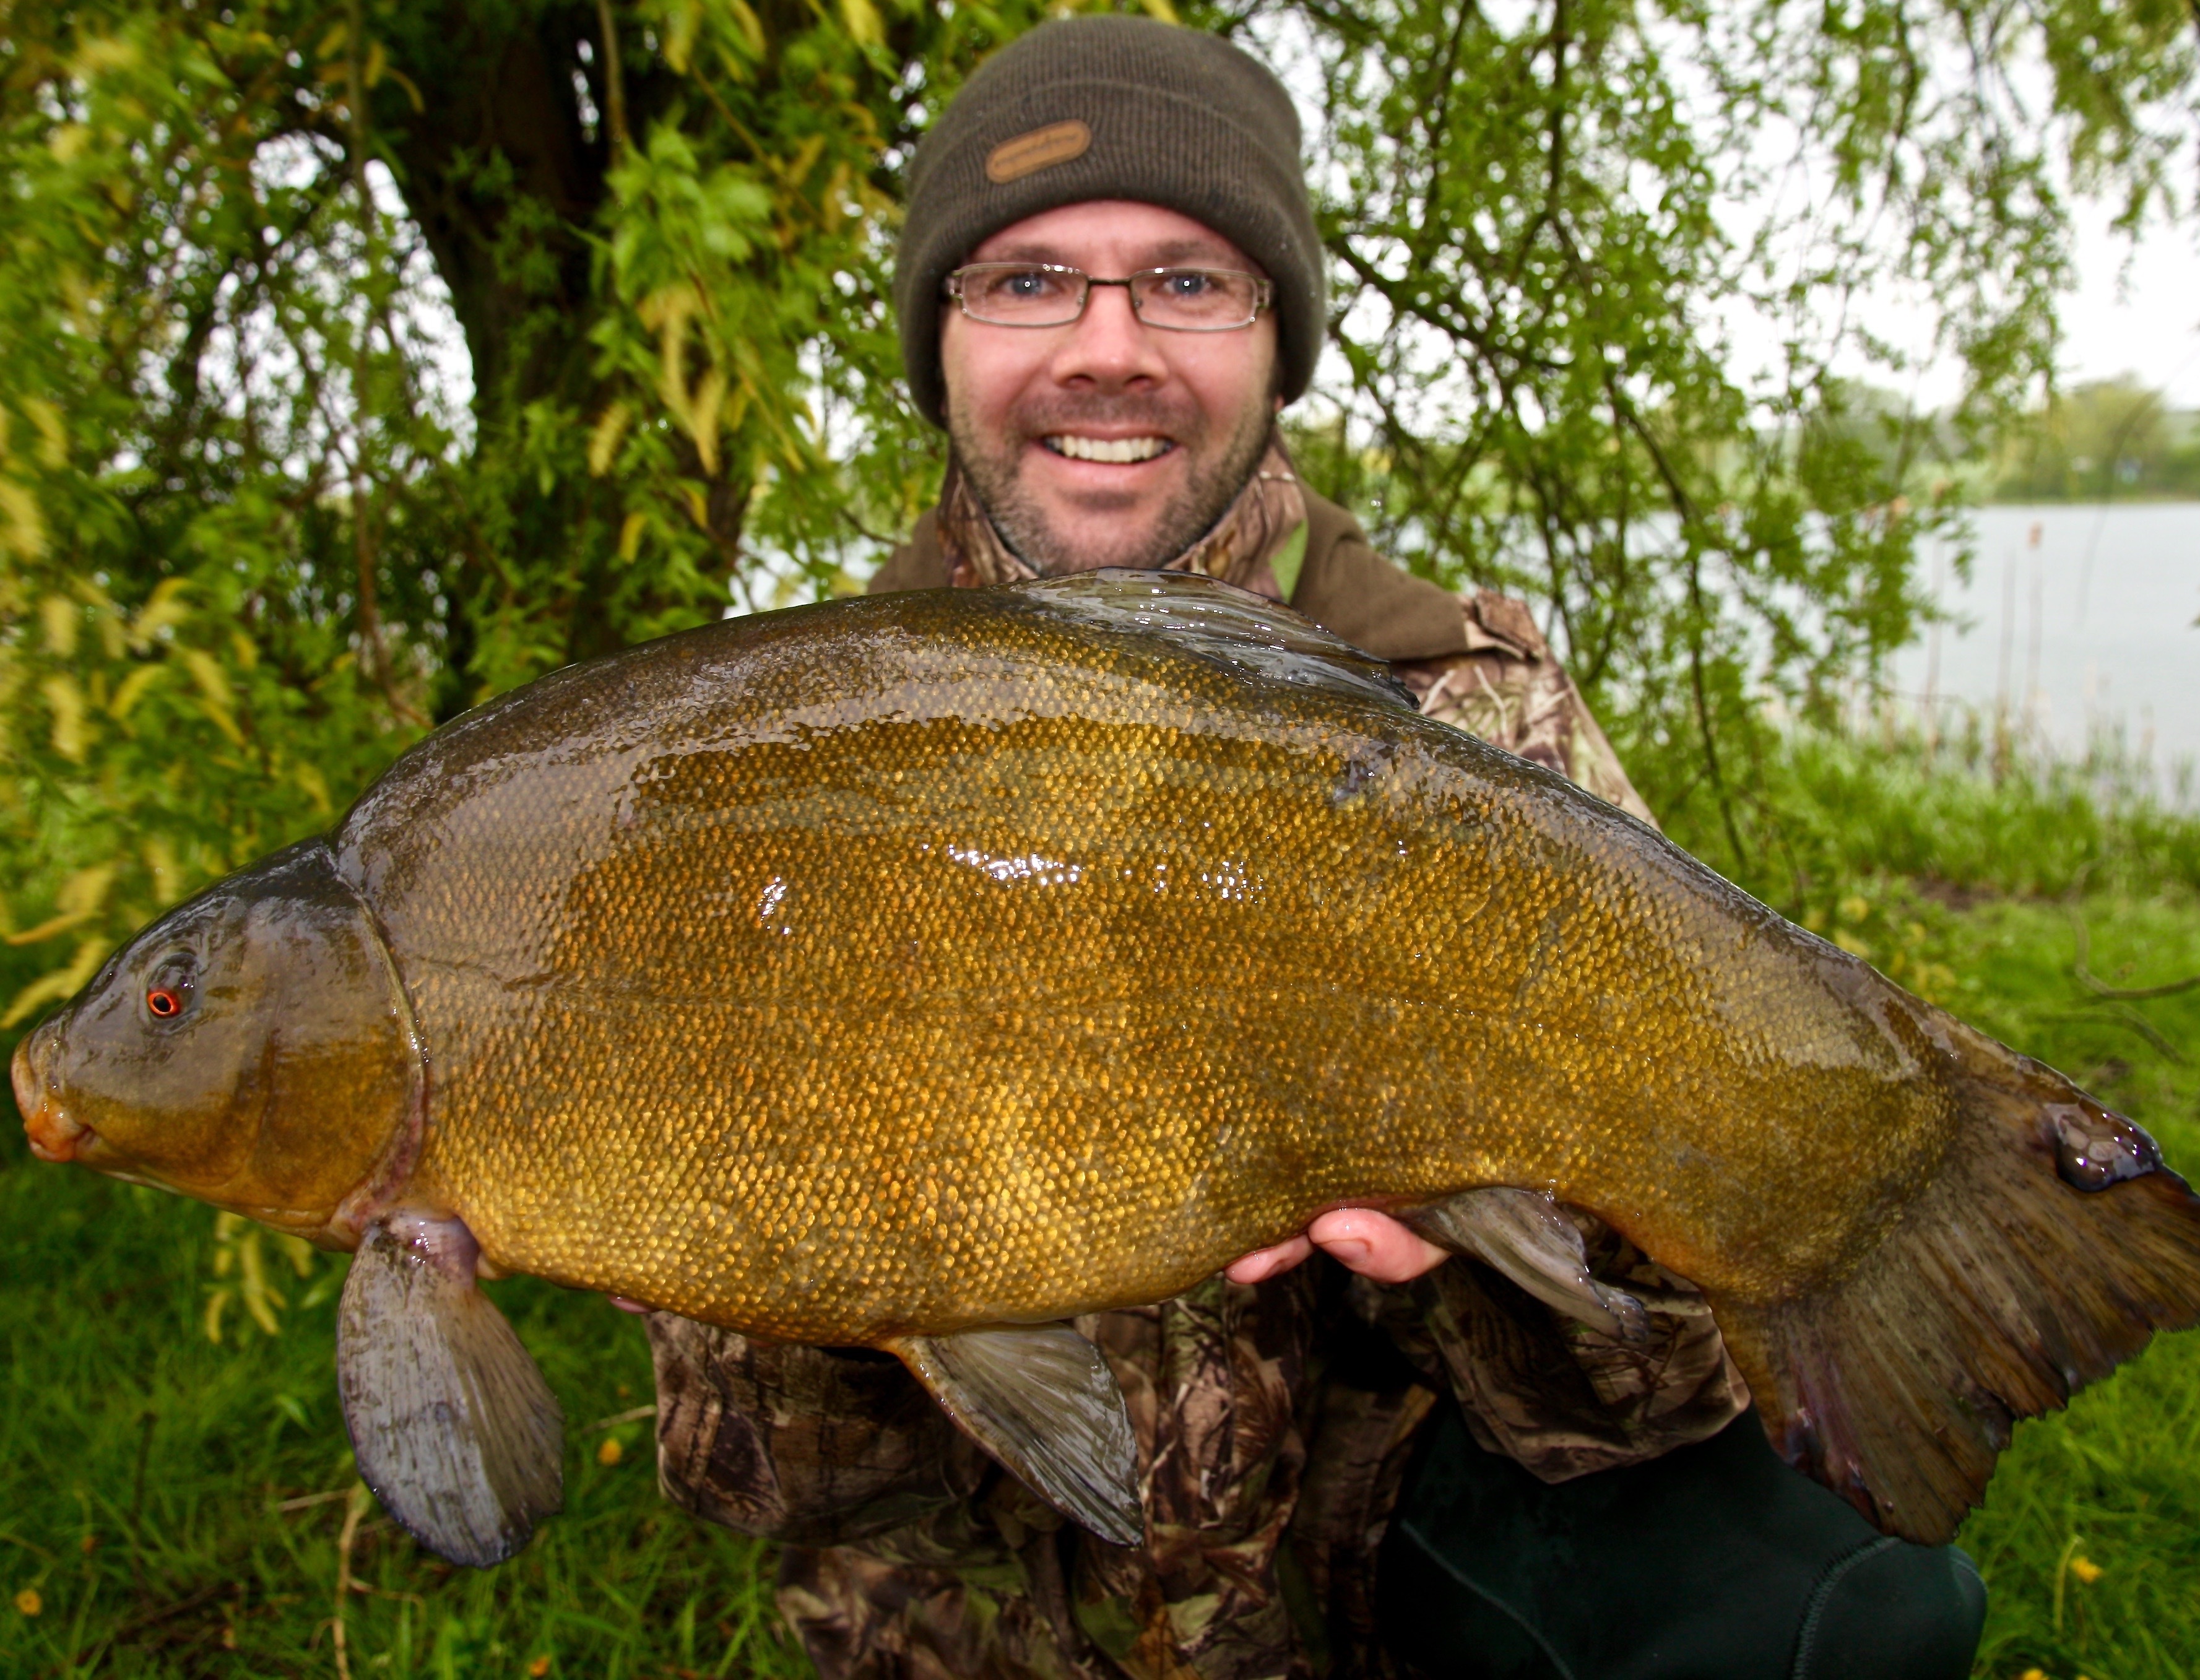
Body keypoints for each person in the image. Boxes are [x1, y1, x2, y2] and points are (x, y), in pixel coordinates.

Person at [641, 18, 1988, 1678]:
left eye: (1190, 282)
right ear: (941, 337)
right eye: (1028, 281)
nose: (1107, 349)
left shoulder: (1461, 707)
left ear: (1277, 338)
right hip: (1000, 1590)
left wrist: (1480, 1239)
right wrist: (769, 1225)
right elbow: (763, 1487)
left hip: (1365, 1528)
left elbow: (1666, 1390)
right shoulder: (754, 760)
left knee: (1836, 1613)